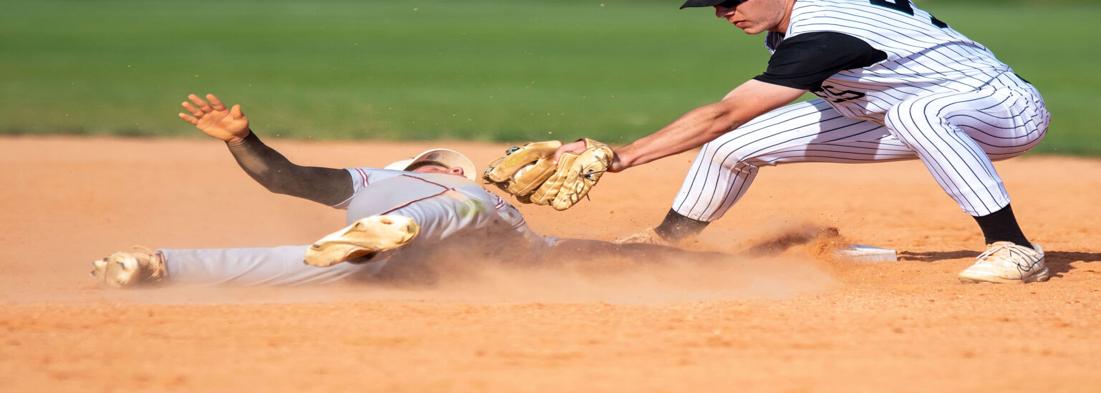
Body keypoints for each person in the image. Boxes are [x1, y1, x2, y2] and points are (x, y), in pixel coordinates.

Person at [555, 0, 1052, 284]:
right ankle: (668, 242)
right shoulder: (801, 18)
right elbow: (730, 129)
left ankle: (1014, 246)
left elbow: (723, 112)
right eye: (715, 5)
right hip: (891, 106)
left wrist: (622, 156)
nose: (724, 11)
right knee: (738, 145)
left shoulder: (825, 31)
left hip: (1000, 107)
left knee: (915, 112)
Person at [91, 93, 555, 288]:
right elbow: (560, 253)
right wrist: (624, 252)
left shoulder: (368, 182)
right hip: (418, 213)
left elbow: (283, 178)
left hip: (384, 243)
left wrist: (242, 142)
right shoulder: (464, 191)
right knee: (451, 210)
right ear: (434, 169)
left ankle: (154, 268)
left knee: (318, 265)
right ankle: (400, 225)